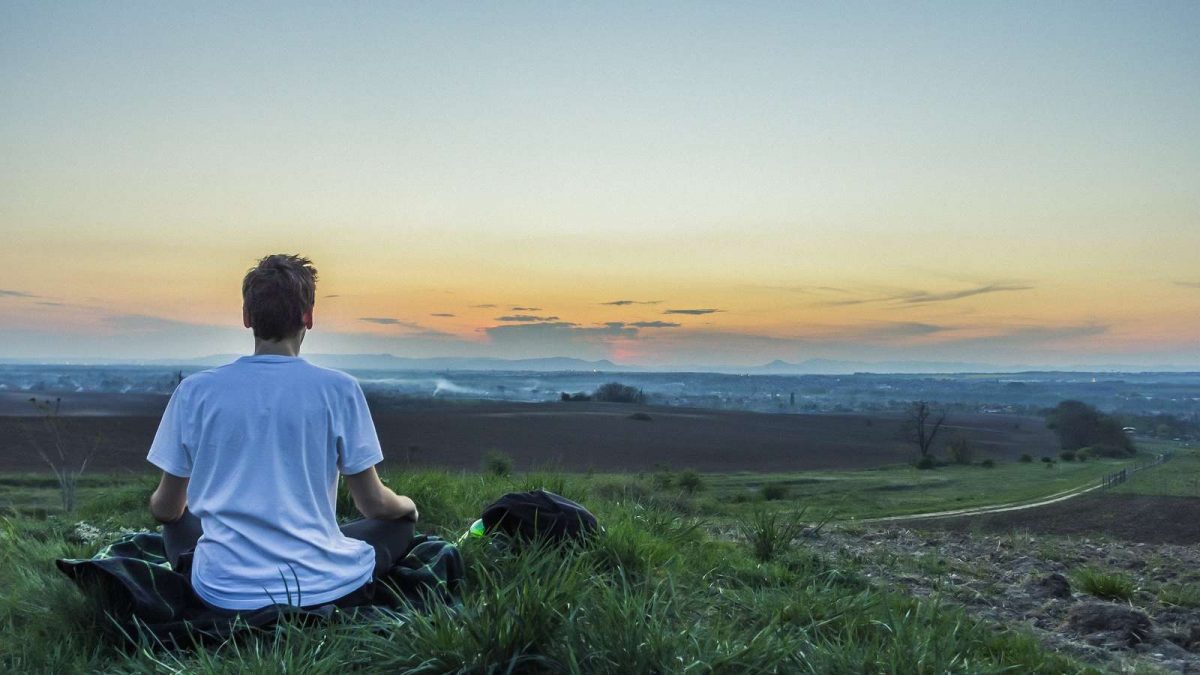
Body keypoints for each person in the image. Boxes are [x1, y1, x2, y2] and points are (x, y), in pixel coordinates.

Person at [146, 254, 418, 612]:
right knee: (397, 527)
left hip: (222, 591)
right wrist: (408, 507)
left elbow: (165, 509)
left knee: (179, 521)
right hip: (322, 586)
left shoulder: (195, 392)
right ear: (308, 317)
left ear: (247, 317)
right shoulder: (339, 389)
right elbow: (373, 505)